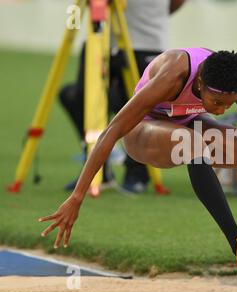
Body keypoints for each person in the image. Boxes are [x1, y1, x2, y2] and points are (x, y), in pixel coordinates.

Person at [39, 48, 237, 277]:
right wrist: (78, 196)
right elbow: (112, 131)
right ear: (199, 83)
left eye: (229, 103)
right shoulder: (175, 74)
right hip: (142, 134)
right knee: (192, 141)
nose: (221, 109)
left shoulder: (236, 85)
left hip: (185, 127)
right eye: (217, 102)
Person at [59, 0, 185, 193]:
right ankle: (97, 166)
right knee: (78, 99)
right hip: (99, 37)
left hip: (146, 39)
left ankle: (137, 171)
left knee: (142, 108)